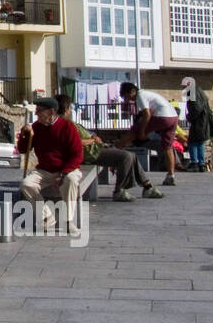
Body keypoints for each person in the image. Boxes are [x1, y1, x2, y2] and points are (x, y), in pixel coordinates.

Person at [56, 93, 164, 201]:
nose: (70, 110)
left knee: (132, 155)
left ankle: (147, 186)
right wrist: (93, 140)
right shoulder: (64, 123)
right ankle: (119, 191)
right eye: (70, 107)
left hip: (93, 149)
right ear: (66, 108)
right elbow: (76, 142)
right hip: (89, 153)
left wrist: (93, 137)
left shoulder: (66, 122)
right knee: (125, 157)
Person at [16, 96, 84, 232]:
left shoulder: (68, 127)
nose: (36, 114)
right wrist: (25, 135)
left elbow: (77, 155)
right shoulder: (37, 127)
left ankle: (67, 220)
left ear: (51, 112)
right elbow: (23, 149)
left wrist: (64, 173)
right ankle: (47, 216)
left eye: (40, 111)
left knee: (70, 180)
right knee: (26, 184)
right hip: (45, 170)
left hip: (67, 169)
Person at [120, 82, 179, 189]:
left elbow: (147, 114)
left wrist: (143, 132)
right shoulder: (148, 94)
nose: (128, 100)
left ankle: (116, 147)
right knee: (168, 147)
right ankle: (171, 176)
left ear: (132, 91)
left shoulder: (140, 95)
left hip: (162, 117)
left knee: (135, 130)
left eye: (127, 96)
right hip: (173, 117)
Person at [181, 76, 213, 172]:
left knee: (193, 142)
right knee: (200, 142)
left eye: (183, 86)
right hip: (203, 120)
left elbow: (196, 108)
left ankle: (194, 162)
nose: (183, 88)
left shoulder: (192, 92)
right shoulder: (199, 90)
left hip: (198, 121)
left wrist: (189, 117)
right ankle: (201, 164)